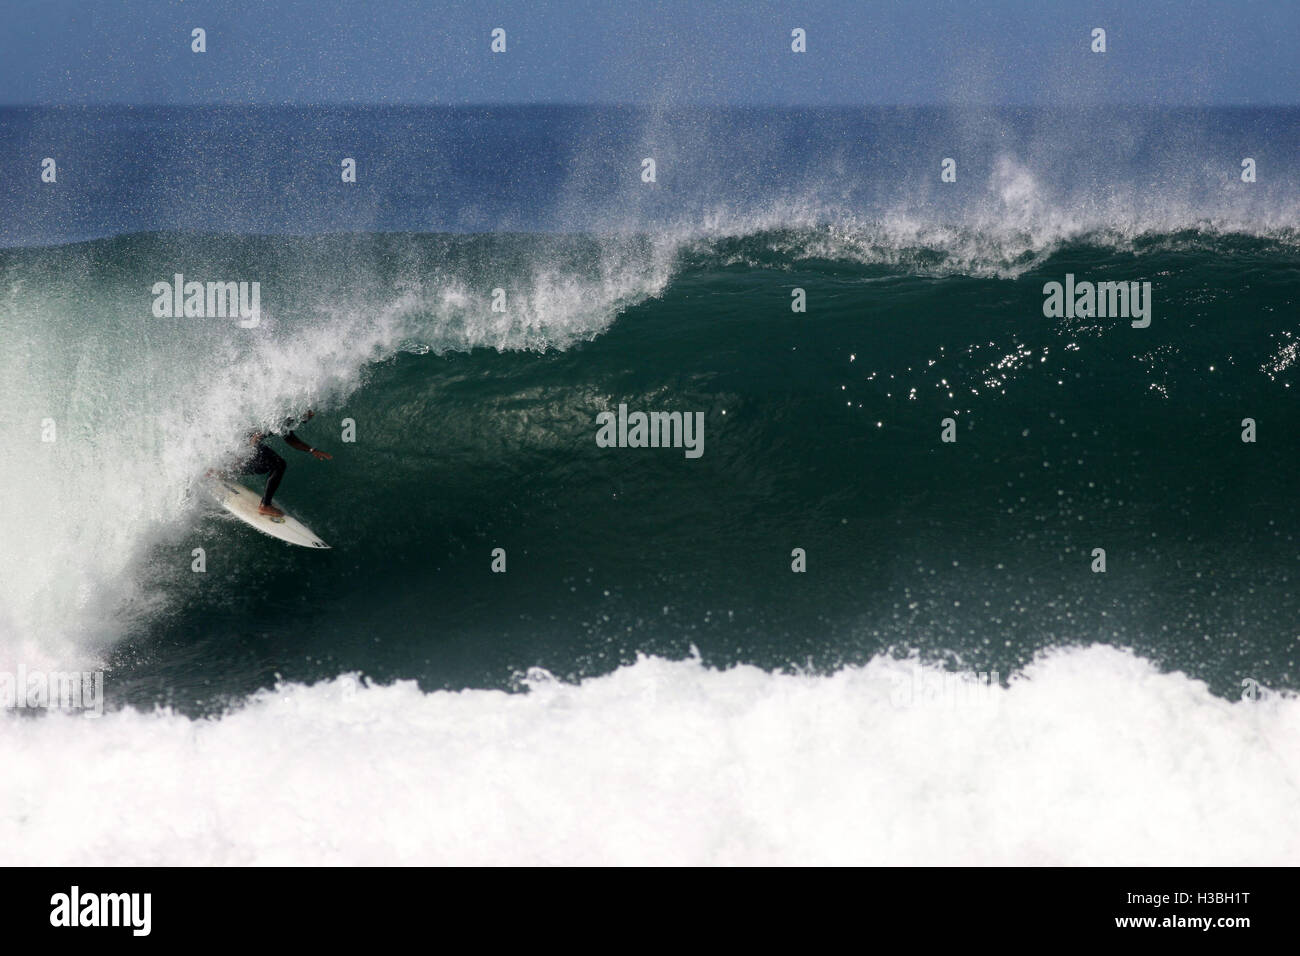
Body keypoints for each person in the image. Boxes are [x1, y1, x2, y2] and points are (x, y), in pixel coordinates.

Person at [241, 410, 332, 517]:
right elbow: (259, 433)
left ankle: (224, 470)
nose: (311, 415)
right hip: (247, 442)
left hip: (242, 439)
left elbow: (289, 437)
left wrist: (312, 450)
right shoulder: (284, 414)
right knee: (278, 464)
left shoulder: (287, 413)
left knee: (264, 467)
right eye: (310, 413)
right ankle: (265, 506)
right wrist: (250, 449)